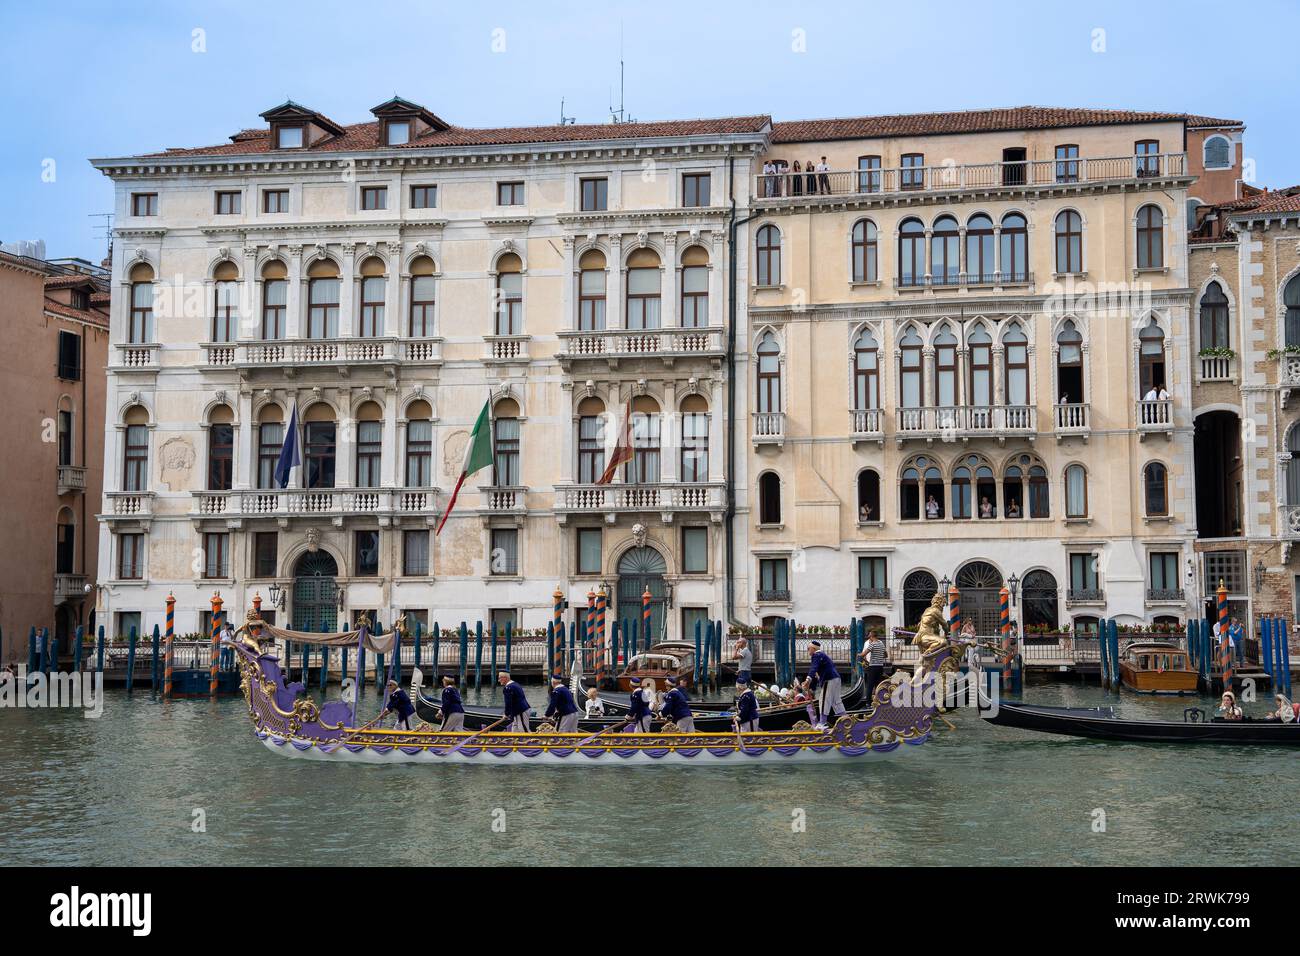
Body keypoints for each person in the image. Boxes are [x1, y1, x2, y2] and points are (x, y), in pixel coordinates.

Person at [802, 640, 844, 730]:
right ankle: (846, 720)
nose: (808, 651)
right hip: (836, 678)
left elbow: (813, 668)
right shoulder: (823, 656)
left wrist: (807, 680)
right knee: (836, 701)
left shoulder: (817, 655)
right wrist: (810, 685)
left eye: (808, 649)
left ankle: (822, 723)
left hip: (829, 679)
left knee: (824, 700)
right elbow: (817, 673)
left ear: (813, 648)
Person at [858, 629, 889, 700]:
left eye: (869, 635)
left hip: (873, 667)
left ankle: (868, 703)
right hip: (880, 667)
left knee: (870, 685)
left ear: (871, 636)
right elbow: (886, 655)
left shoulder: (872, 644)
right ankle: (878, 700)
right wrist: (879, 655)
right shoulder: (881, 644)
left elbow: (863, 654)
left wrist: (858, 655)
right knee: (878, 685)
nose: (868, 636)